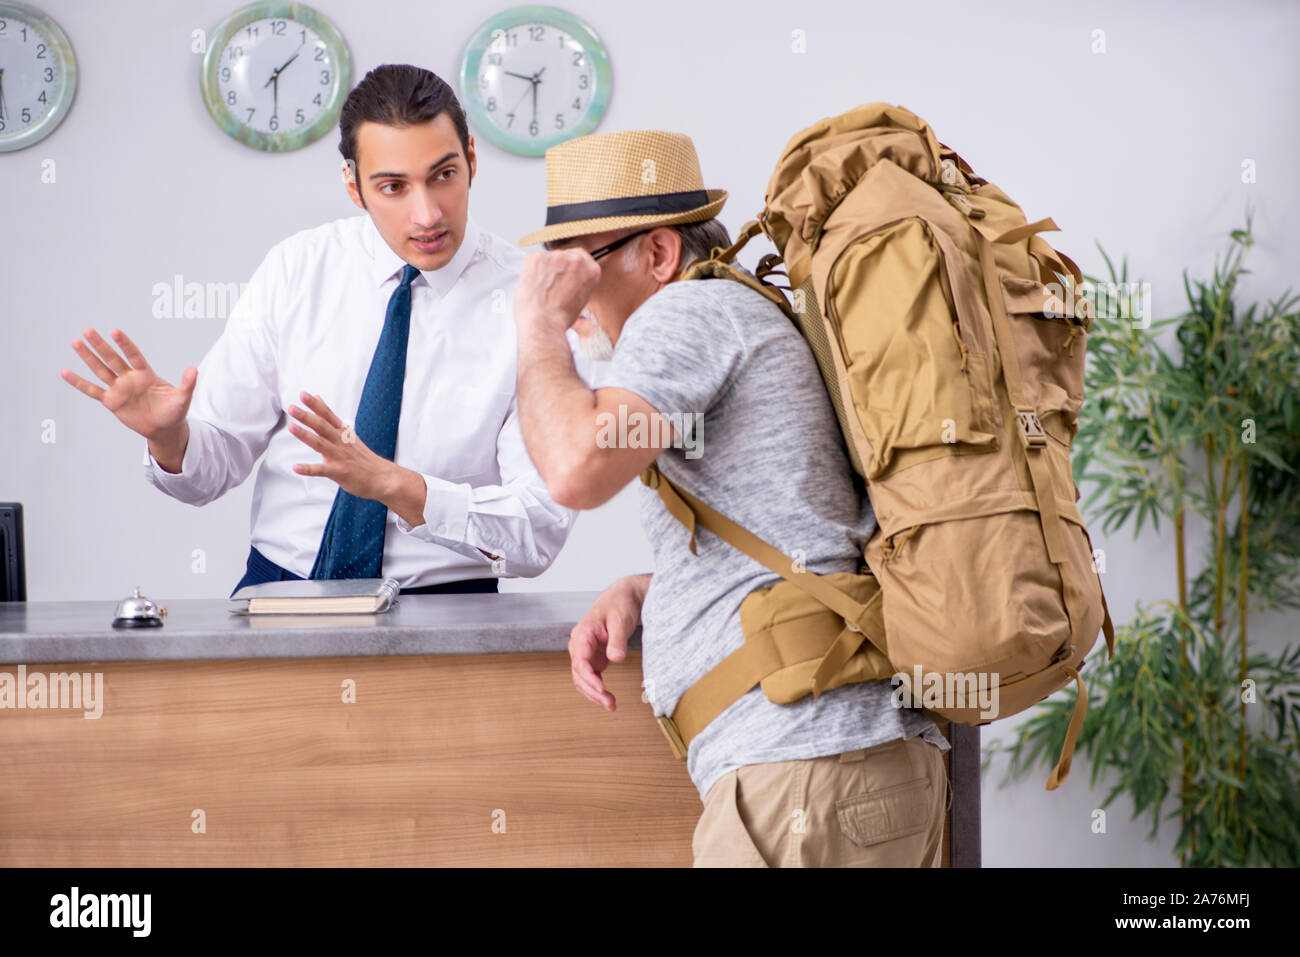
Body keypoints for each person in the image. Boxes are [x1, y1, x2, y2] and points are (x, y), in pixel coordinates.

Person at [511, 129, 952, 867]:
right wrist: (649, 589)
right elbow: (804, 524)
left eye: (576, 267)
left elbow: (573, 469)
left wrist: (537, 327)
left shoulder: (686, 313)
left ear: (658, 254)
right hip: (852, 763)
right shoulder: (744, 310)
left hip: (801, 771)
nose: (568, 297)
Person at [60, 65, 576, 596]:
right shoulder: (298, 269)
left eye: (443, 175)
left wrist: (395, 486)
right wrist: (170, 438)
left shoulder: (535, 302)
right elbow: (207, 473)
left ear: (471, 159)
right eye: (393, 187)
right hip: (282, 594)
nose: (426, 214)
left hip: (447, 608)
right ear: (353, 185)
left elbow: (537, 529)